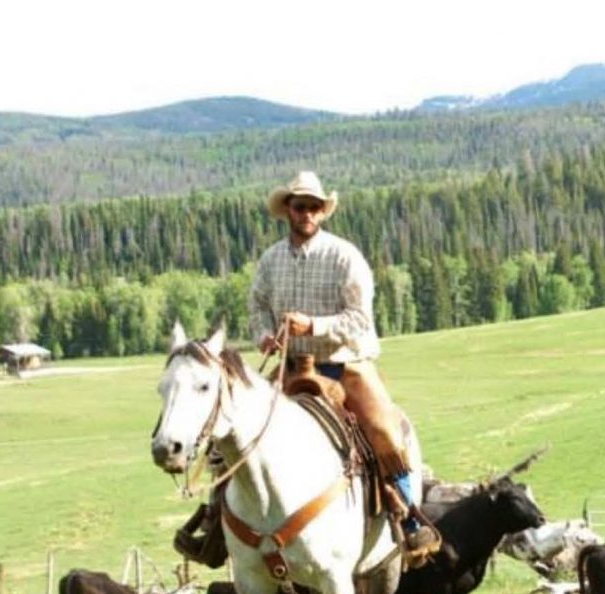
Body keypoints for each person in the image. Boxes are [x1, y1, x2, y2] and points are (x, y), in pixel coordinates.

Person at [173, 171, 438, 568]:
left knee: (383, 427)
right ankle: (217, 522)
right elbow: (257, 304)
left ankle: (408, 514)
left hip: (345, 363)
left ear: (323, 211)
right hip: (290, 365)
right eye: (301, 207)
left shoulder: (344, 256)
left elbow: (360, 319)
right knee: (232, 427)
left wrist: (313, 325)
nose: (308, 214)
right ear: (288, 211)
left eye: (315, 207)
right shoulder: (271, 259)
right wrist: (265, 334)